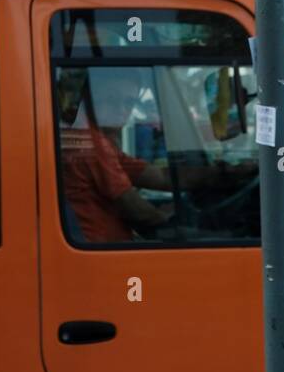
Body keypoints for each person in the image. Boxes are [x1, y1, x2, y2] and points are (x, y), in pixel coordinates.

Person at [60, 68, 256, 244]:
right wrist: (176, 227)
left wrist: (222, 173)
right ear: (89, 98)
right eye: (111, 100)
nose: (121, 109)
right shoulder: (91, 143)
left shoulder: (99, 141)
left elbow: (162, 177)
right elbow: (137, 211)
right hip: (100, 255)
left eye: (128, 102)